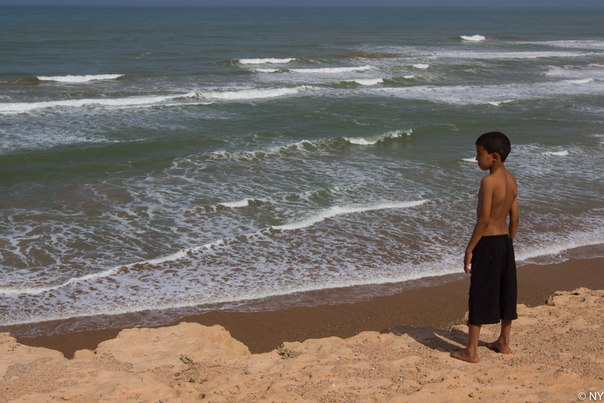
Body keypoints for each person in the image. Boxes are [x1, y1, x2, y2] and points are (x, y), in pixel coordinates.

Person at [451, 131, 519, 364]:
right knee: (506, 291)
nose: (476, 158)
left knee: (479, 292)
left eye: (480, 154)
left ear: (494, 157)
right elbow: (515, 218)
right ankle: (504, 342)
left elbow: (483, 220)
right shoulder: (511, 179)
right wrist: (509, 241)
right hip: (505, 242)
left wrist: (470, 248)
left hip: (488, 243)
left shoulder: (488, 182)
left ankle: (471, 351)